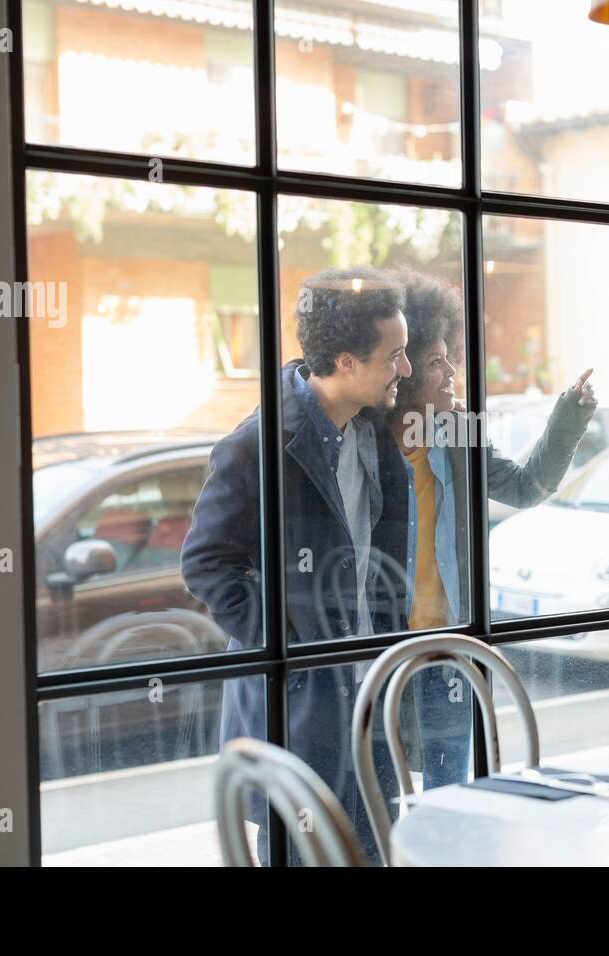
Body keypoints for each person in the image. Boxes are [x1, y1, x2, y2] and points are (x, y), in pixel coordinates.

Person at [181, 267, 414, 863]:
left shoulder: (373, 433)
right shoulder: (254, 447)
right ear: (345, 362)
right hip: (303, 707)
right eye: (396, 355)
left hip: (369, 692)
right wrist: (292, 646)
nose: (405, 370)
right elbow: (207, 565)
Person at [383, 267, 600, 786]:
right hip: (384, 647)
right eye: (436, 363)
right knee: (382, 788)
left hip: (451, 642)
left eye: (449, 357)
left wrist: (569, 413)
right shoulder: (367, 440)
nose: (451, 372)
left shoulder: (458, 431)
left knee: (451, 787)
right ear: (407, 373)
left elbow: (527, 486)